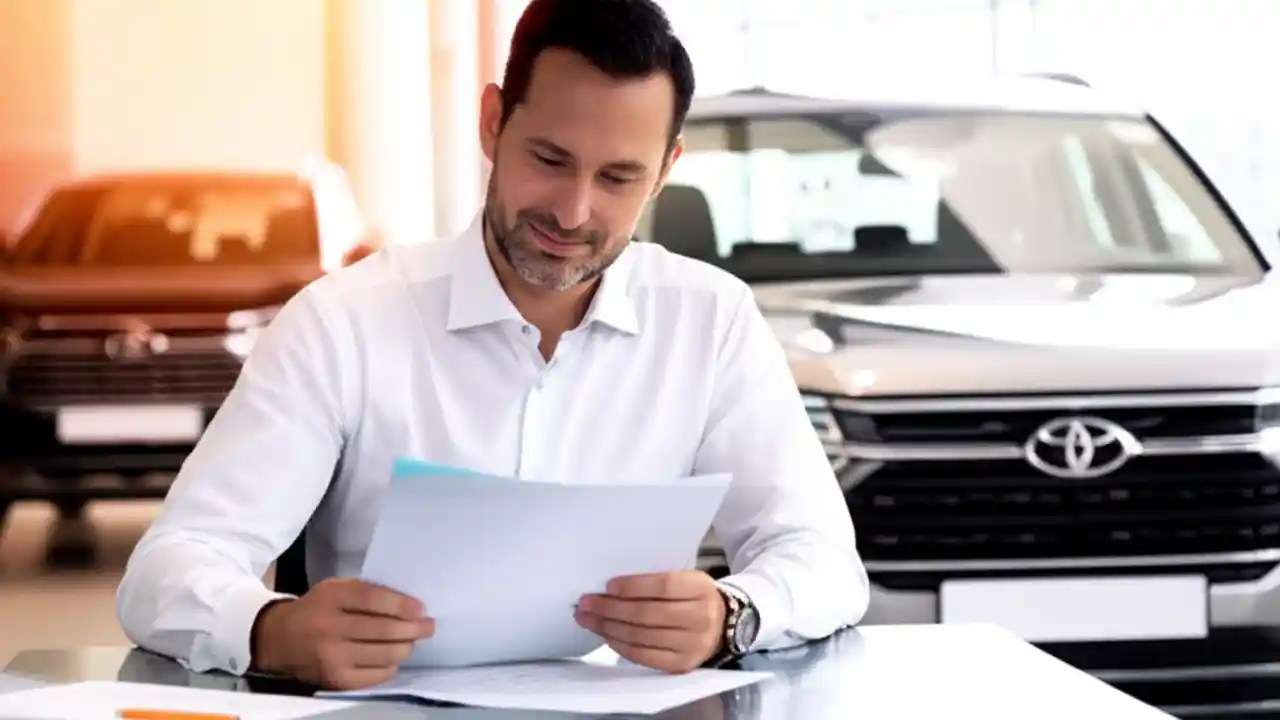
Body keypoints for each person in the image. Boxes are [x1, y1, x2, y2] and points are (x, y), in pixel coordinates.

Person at [116, 0, 869, 691]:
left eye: (618, 177)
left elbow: (826, 561)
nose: (574, 211)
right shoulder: (342, 322)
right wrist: (271, 629)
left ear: (665, 170)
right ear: (491, 124)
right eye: (549, 160)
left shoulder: (711, 321)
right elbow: (166, 572)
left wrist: (732, 614)